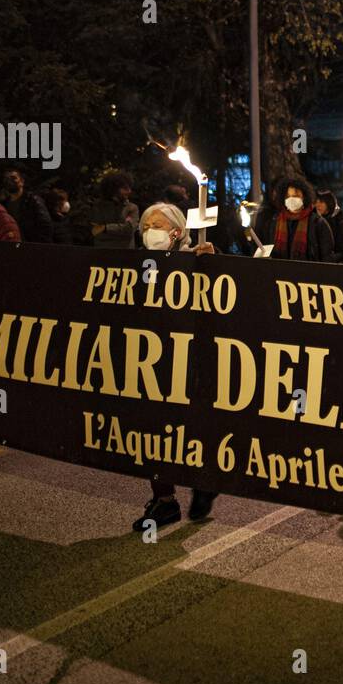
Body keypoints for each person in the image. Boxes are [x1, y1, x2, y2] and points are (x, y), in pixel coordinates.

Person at [131, 203, 219, 530]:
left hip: (192, 360)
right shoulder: (138, 264)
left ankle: (204, 480)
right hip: (153, 357)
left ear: (176, 231)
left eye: (157, 225)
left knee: (192, 425)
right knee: (154, 428)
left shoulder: (197, 257)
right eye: (145, 226)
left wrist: (212, 260)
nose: (149, 231)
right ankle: (164, 500)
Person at [253, 176, 335, 261]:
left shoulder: (317, 223)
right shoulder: (275, 221)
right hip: (280, 272)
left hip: (309, 273)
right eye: (288, 196)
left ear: (304, 197)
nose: (291, 199)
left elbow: (327, 257)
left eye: (296, 196)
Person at [0, 165, 53, 243]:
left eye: (13, 178)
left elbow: (45, 226)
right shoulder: (4, 205)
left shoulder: (33, 201)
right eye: (6, 178)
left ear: (22, 181)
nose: (9, 181)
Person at [90, 171, 140, 249]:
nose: (129, 191)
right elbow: (95, 233)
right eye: (125, 188)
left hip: (125, 254)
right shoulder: (99, 207)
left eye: (129, 188)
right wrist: (120, 231)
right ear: (114, 189)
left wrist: (106, 228)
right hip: (102, 253)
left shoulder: (132, 208)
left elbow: (129, 230)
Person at [313, 189, 343, 263]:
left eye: (321, 202)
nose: (317, 205)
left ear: (329, 203)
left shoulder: (341, 221)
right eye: (316, 202)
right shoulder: (315, 221)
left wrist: (331, 259)